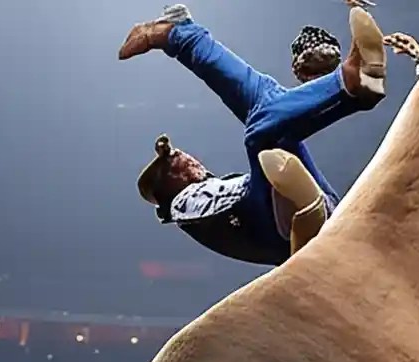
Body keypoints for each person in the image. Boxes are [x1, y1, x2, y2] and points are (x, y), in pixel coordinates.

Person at [119, 3, 388, 265]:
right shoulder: (183, 205)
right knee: (260, 131)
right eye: (177, 166)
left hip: (297, 210)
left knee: (262, 99)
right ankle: (347, 83)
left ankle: (179, 33)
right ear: (170, 187)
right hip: (277, 230)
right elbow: (236, 204)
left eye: (181, 156)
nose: (189, 160)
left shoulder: (205, 195)